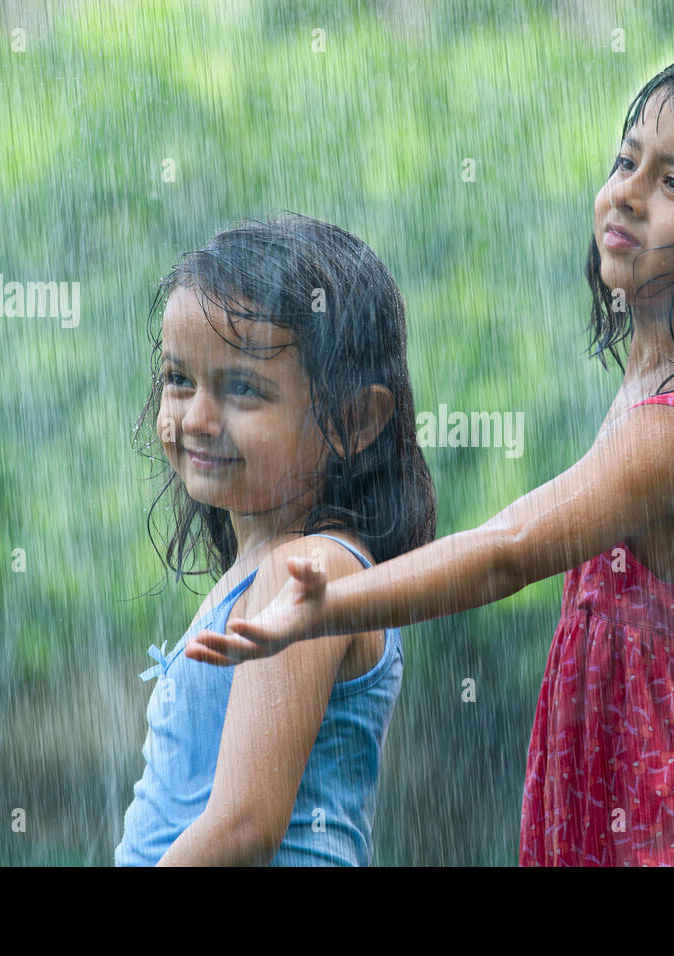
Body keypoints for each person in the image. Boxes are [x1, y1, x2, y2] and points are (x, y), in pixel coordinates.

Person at [189, 47, 674, 866]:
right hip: (671, 756)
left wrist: (334, 608)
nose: (625, 191)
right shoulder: (665, 374)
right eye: (628, 160)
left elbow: (508, 550)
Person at [115, 213, 436, 865]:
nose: (197, 418)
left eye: (241, 388)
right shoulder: (263, 569)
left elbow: (243, 826)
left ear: (354, 421)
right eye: (180, 378)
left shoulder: (308, 570)